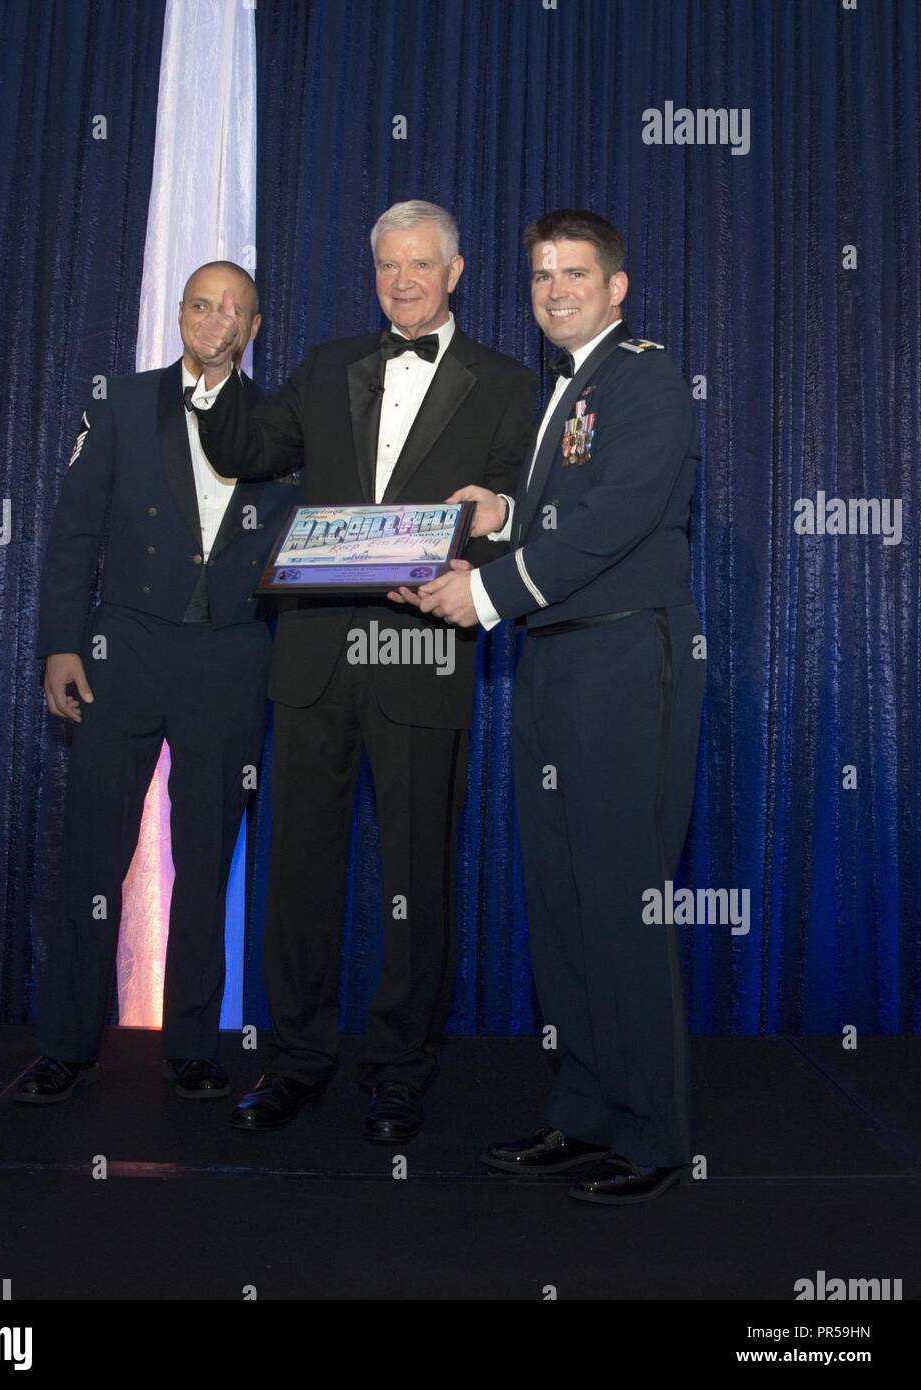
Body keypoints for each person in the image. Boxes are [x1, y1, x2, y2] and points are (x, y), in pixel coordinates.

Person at [191, 201, 535, 1141]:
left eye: (422, 264)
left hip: (423, 652)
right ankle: (296, 1060)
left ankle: (399, 1069)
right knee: (298, 871)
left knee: (418, 875)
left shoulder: (508, 383)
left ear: (456, 272)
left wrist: (498, 508)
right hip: (312, 658)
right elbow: (248, 450)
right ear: (373, 272)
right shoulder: (327, 364)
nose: (405, 281)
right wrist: (217, 373)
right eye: (389, 266)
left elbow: (524, 500)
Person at [398, 210, 704, 1202]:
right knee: (562, 906)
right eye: (539, 275)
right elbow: (567, 513)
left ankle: (654, 1136)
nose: (556, 289)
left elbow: (617, 517)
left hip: (620, 658)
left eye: (575, 273)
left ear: (616, 287)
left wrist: (483, 592)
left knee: (620, 902)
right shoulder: (558, 393)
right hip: (552, 661)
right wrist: (500, 517)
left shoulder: (645, 375)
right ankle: (582, 1114)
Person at [17, 262, 295, 1104]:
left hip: (231, 659)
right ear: (181, 314)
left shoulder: (283, 425)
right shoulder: (122, 405)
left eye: (234, 310)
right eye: (203, 304)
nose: (216, 320)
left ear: (252, 327)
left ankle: (191, 1048)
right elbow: (72, 536)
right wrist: (62, 644)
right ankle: (65, 1043)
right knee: (95, 851)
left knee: (207, 861)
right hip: (124, 651)